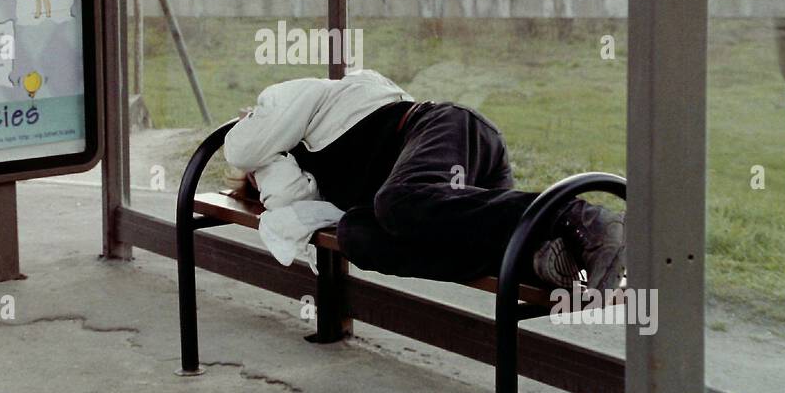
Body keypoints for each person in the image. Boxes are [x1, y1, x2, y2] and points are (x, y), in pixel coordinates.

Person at [223, 69, 625, 289]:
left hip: (447, 131)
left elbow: (241, 148)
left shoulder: (307, 99)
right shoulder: (316, 180)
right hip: (463, 204)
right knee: (357, 236)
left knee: (398, 202)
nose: (259, 175)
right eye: (255, 181)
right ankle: (532, 258)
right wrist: (270, 178)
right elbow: (289, 202)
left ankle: (577, 215)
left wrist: (249, 128)